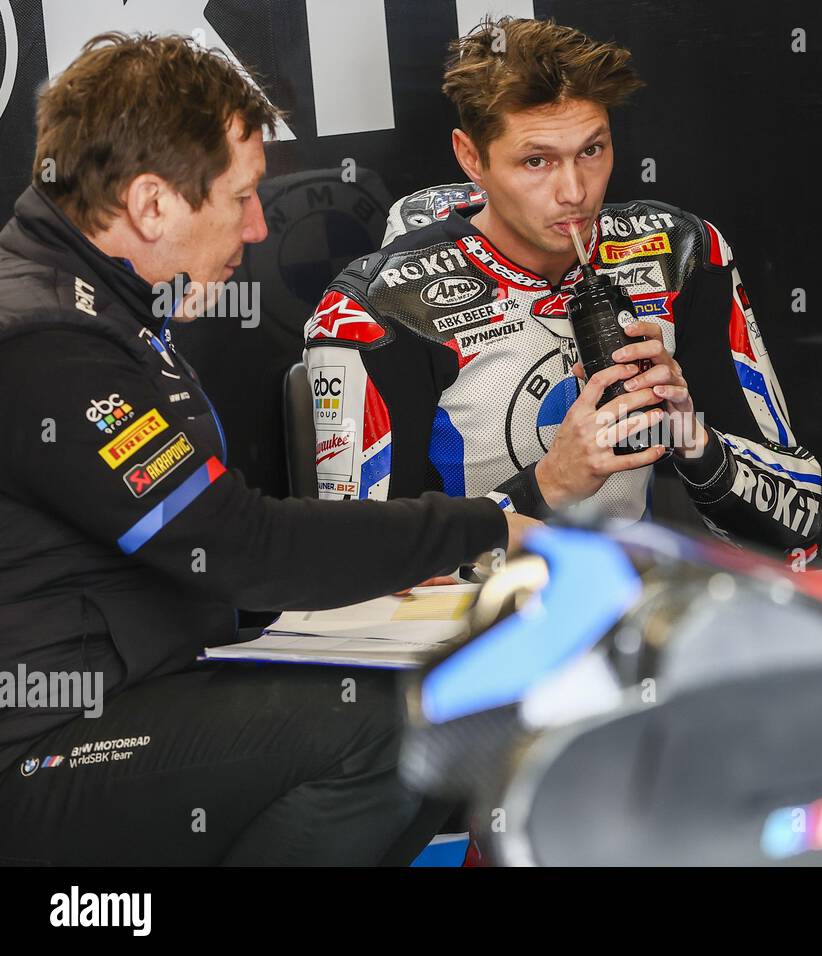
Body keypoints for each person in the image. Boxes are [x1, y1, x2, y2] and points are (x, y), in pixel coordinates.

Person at [0, 32, 536, 865]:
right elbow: (233, 545)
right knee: (390, 734)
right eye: (244, 196)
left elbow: (201, 556)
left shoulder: (98, 306)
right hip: (36, 750)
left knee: (446, 710)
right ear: (151, 204)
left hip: (128, 697)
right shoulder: (43, 339)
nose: (258, 226)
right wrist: (486, 527)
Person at [304, 16, 822, 563]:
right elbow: (360, 563)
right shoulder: (377, 308)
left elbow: (800, 531)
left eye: (591, 151)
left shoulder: (682, 254)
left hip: (620, 617)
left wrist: (691, 437)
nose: (574, 191)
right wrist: (549, 484)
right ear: (471, 157)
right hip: (467, 635)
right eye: (537, 161)